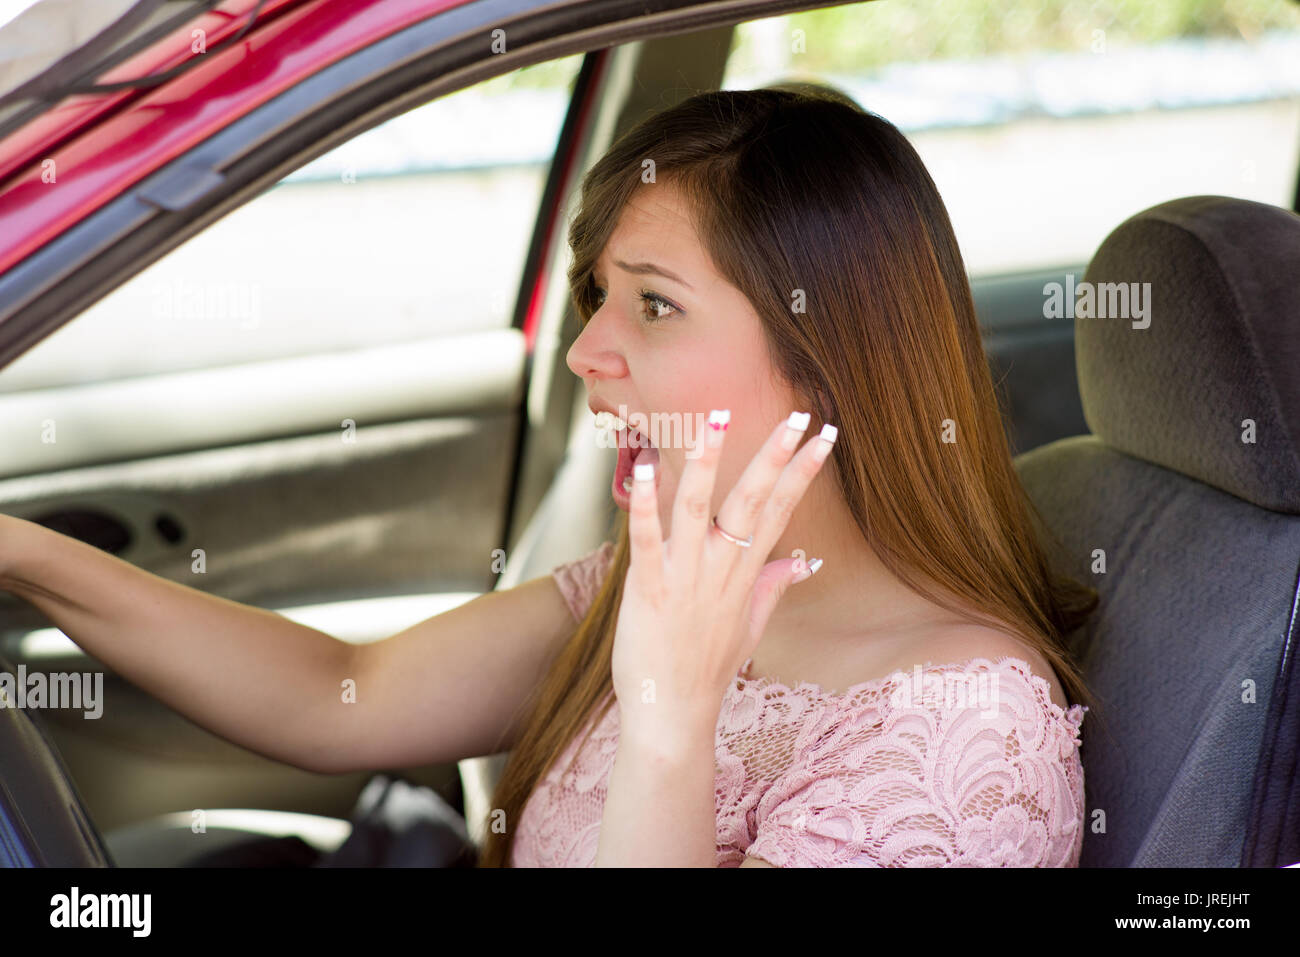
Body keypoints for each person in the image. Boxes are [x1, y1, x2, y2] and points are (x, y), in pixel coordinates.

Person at [0, 86, 1097, 869]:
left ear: (827, 360)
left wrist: (669, 722)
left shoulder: (963, 736)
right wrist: (27, 556)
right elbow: (338, 696)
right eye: (598, 295)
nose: (585, 352)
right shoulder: (654, 583)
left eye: (654, 304)